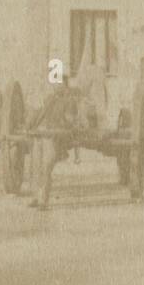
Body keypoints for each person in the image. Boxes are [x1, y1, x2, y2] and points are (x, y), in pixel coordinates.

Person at [25, 78, 98, 210]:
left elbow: (70, 119)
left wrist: (75, 125)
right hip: (40, 136)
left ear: (65, 86)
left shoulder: (69, 101)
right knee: (36, 168)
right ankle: (36, 197)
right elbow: (39, 113)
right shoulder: (49, 99)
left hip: (50, 137)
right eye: (55, 84)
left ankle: (42, 201)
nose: (55, 86)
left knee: (45, 168)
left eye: (59, 84)